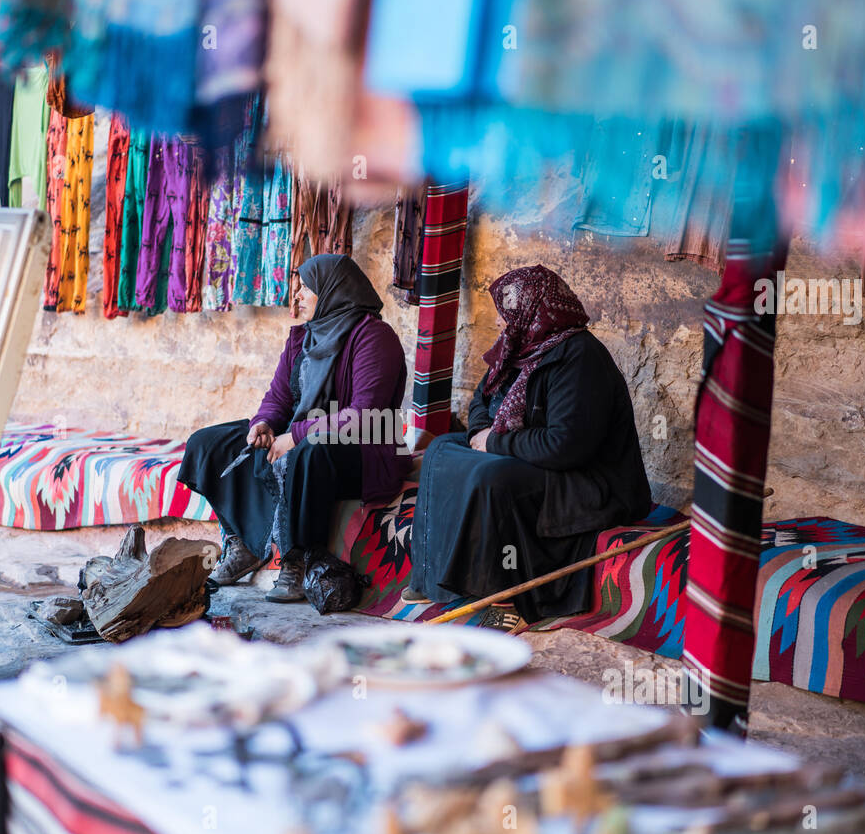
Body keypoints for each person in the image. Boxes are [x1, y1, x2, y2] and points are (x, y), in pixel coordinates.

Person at [403, 265, 651, 622]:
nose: (502, 324)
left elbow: (564, 446)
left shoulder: (579, 357)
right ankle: (433, 578)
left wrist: (495, 443)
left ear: (535, 311)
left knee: (494, 478)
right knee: (442, 450)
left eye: (507, 315)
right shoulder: (517, 348)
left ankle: (502, 599)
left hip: (588, 481)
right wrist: (480, 436)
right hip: (523, 454)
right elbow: (481, 403)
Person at [178, 254, 411, 602]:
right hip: (306, 433)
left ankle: (296, 560)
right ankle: (241, 542)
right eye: (297, 288)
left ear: (333, 291)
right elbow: (279, 396)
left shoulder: (374, 338)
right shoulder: (303, 337)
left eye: (306, 288)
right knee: (210, 443)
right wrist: (265, 424)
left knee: (308, 453)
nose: (297, 296)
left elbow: (365, 415)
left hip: (365, 448)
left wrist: (296, 436)